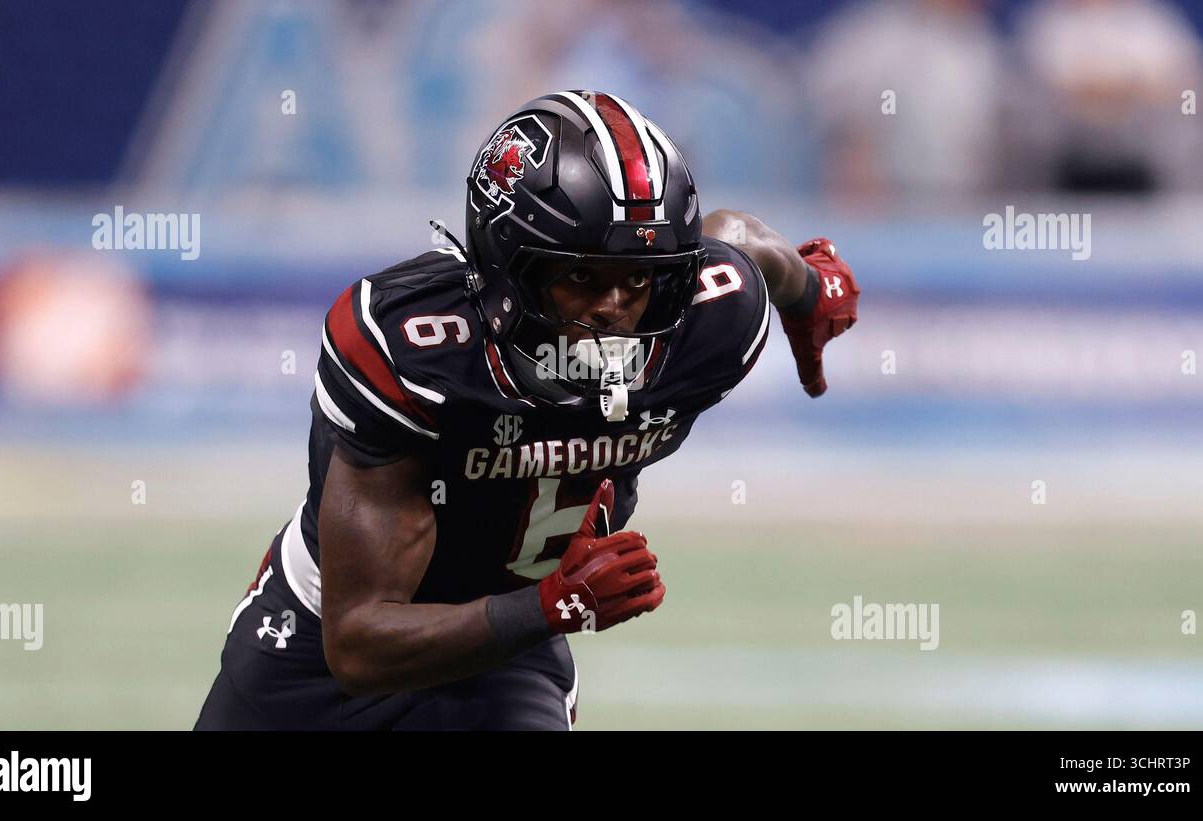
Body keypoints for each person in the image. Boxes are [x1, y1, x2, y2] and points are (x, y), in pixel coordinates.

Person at [194, 90, 860, 730]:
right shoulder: (419, 352)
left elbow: (741, 244)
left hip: (507, 659)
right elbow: (359, 642)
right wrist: (552, 603)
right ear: (506, 265)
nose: (616, 312)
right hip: (323, 651)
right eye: (582, 277)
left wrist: (809, 290)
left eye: (639, 280)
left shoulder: (709, 320)